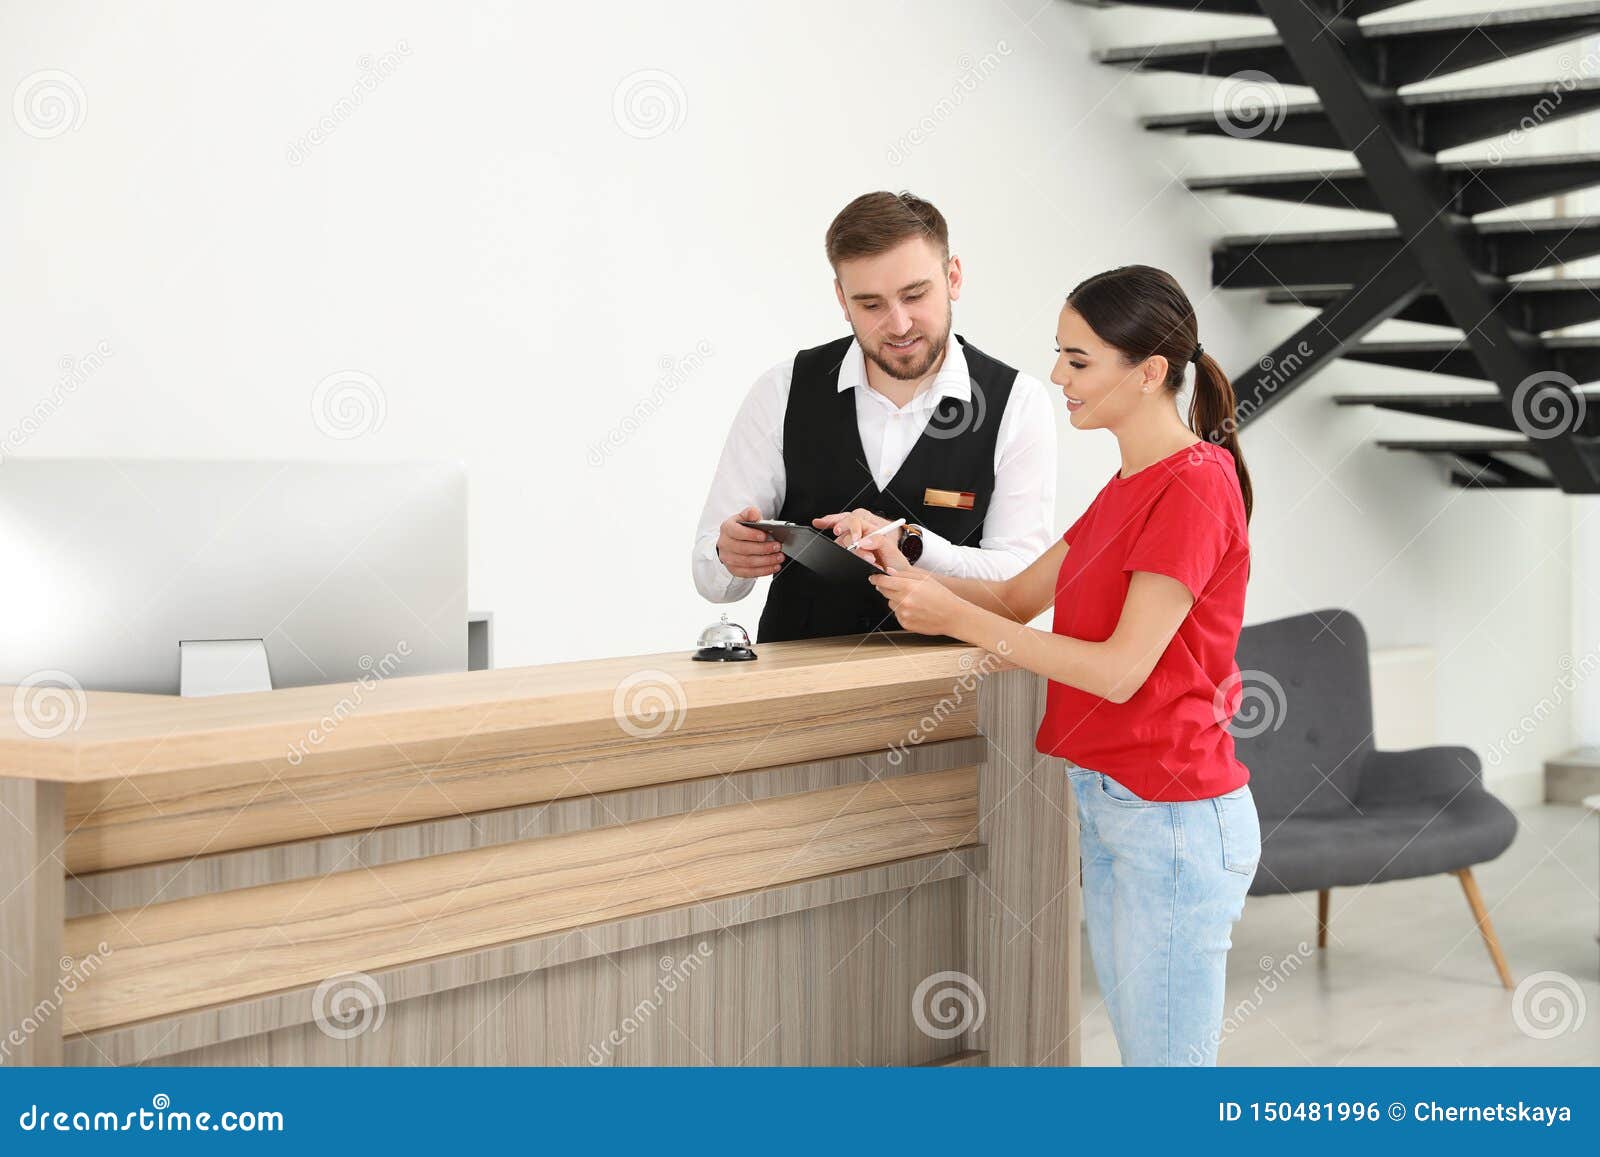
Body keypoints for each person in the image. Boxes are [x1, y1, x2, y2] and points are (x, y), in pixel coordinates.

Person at [853, 265, 1259, 1066]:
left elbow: (1118, 671)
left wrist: (954, 617)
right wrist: (897, 548)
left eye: (1079, 361)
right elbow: (1009, 597)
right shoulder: (1126, 487)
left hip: (1171, 814)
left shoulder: (1197, 485)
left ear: (1147, 373)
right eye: (1060, 355)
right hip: (1114, 803)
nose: (1057, 378)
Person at [691, 190, 1056, 643]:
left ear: (954, 277)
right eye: (871, 305)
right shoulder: (780, 390)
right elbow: (711, 577)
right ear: (842, 300)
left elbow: (1019, 582)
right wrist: (729, 556)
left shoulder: (1018, 402)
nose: (899, 324)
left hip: (952, 687)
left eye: (915, 295)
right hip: (796, 688)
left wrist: (909, 543)